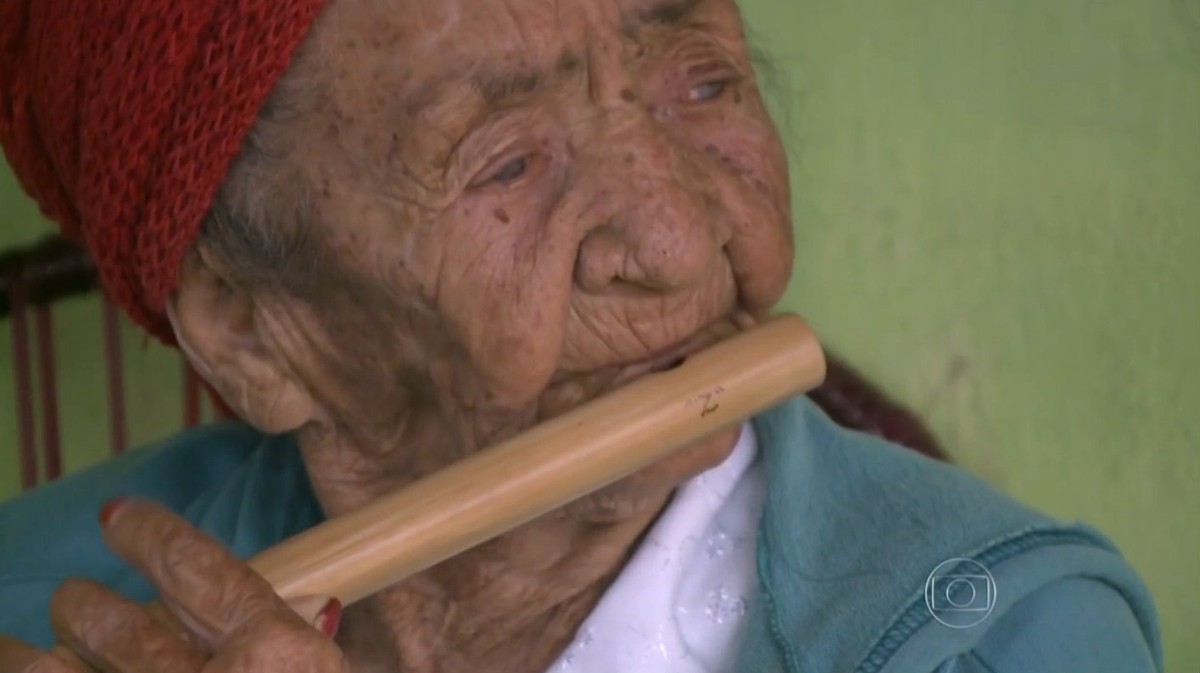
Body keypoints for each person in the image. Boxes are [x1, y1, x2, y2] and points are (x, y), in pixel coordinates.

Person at [0, 0, 1162, 671]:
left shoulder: (1007, 638)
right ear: (254, 330)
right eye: (509, 163)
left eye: (704, 84)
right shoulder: (34, 595)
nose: (682, 242)